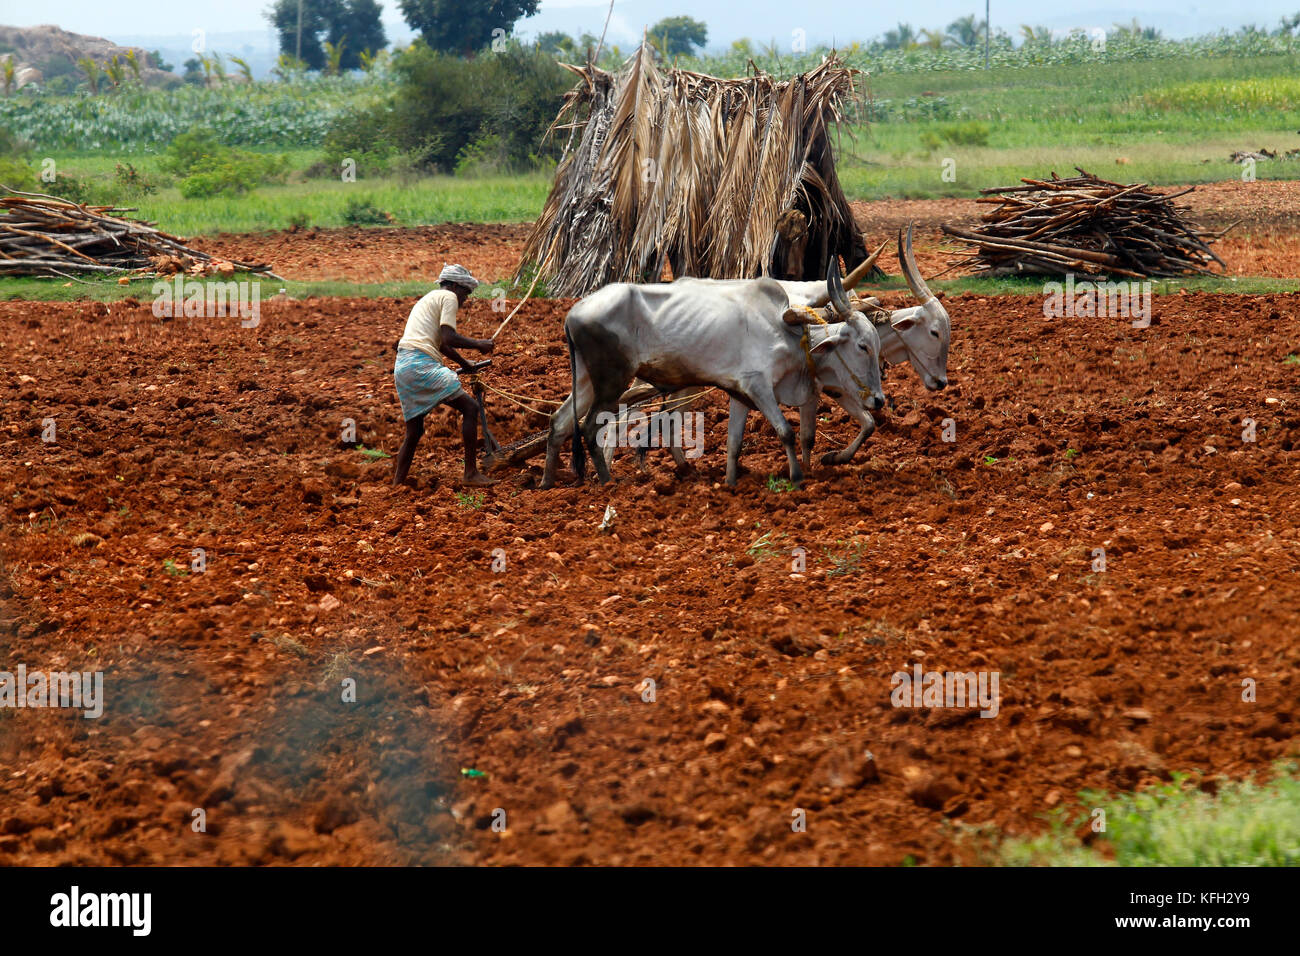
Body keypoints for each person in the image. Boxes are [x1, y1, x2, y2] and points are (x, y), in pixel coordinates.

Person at [392, 264, 495, 487]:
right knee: (470, 408)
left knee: (414, 431)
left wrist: (465, 364)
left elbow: (440, 343)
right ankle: (470, 474)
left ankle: (397, 484)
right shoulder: (448, 297)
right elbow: (449, 338)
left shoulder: (428, 299)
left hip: (403, 367)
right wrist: (479, 344)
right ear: (456, 286)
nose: (465, 299)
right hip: (421, 365)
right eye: (466, 293)